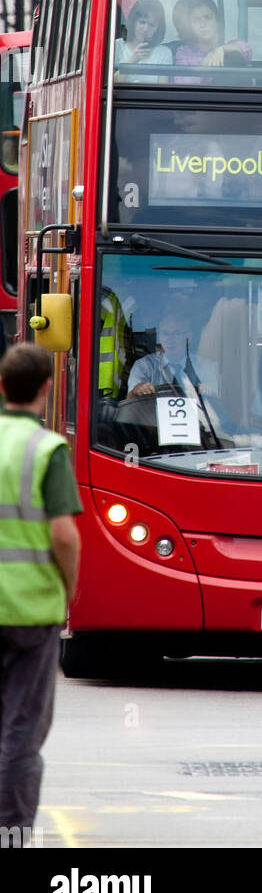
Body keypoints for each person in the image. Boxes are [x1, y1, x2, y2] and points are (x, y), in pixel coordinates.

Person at [0, 344, 81, 847]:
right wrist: (67, 592)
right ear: (47, 389)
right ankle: (10, 834)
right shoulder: (46, 450)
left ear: (2, 386)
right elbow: (65, 535)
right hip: (30, 613)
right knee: (21, 733)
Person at [172, 0, 251, 74]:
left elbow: (245, 49)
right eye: (196, 20)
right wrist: (205, 66)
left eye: (207, 17)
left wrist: (221, 49)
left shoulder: (230, 46)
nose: (203, 24)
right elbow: (184, 83)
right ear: (190, 26)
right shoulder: (184, 53)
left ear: (217, 20)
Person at [114, 0, 172, 80]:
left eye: (152, 25)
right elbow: (112, 83)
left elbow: (163, 90)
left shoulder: (164, 53)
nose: (145, 29)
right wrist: (133, 60)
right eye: (142, 22)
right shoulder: (117, 46)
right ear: (133, 21)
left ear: (158, 29)